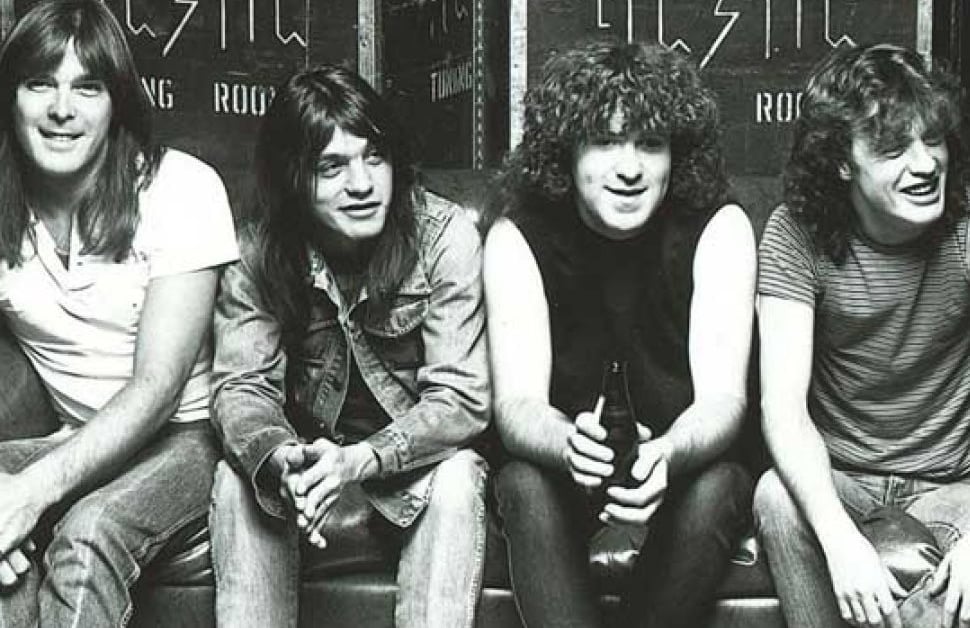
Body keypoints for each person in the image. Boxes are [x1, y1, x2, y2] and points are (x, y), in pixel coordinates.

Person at [482, 40, 756, 627]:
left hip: (683, 471)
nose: (629, 168)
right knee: (523, 483)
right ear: (566, 152)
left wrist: (670, 453)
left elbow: (724, 400)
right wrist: (566, 443)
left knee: (721, 484)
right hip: (563, 475)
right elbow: (517, 404)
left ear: (676, 154)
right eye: (605, 142)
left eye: (650, 144)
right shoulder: (518, 233)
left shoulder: (719, 226)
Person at [208, 63, 490, 628]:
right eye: (331, 167)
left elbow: (460, 401)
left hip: (414, 466)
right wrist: (283, 459)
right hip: (311, 472)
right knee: (237, 482)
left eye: (374, 158)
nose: (361, 184)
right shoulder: (258, 250)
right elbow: (241, 387)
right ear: (292, 177)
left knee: (459, 478)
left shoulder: (443, 235)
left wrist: (358, 460)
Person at [0, 0, 239, 624]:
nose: (62, 109)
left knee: (90, 530)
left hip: (186, 438)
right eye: (39, 84)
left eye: (87, 87)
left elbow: (158, 387)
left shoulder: (180, 187)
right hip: (74, 436)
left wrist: (29, 494)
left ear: (116, 104)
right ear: (10, 99)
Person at [754, 43, 970, 628]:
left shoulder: (965, 229)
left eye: (933, 140)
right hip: (845, 480)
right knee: (775, 496)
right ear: (842, 163)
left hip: (953, 486)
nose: (925, 165)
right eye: (894, 149)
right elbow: (783, 409)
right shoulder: (795, 234)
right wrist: (839, 539)